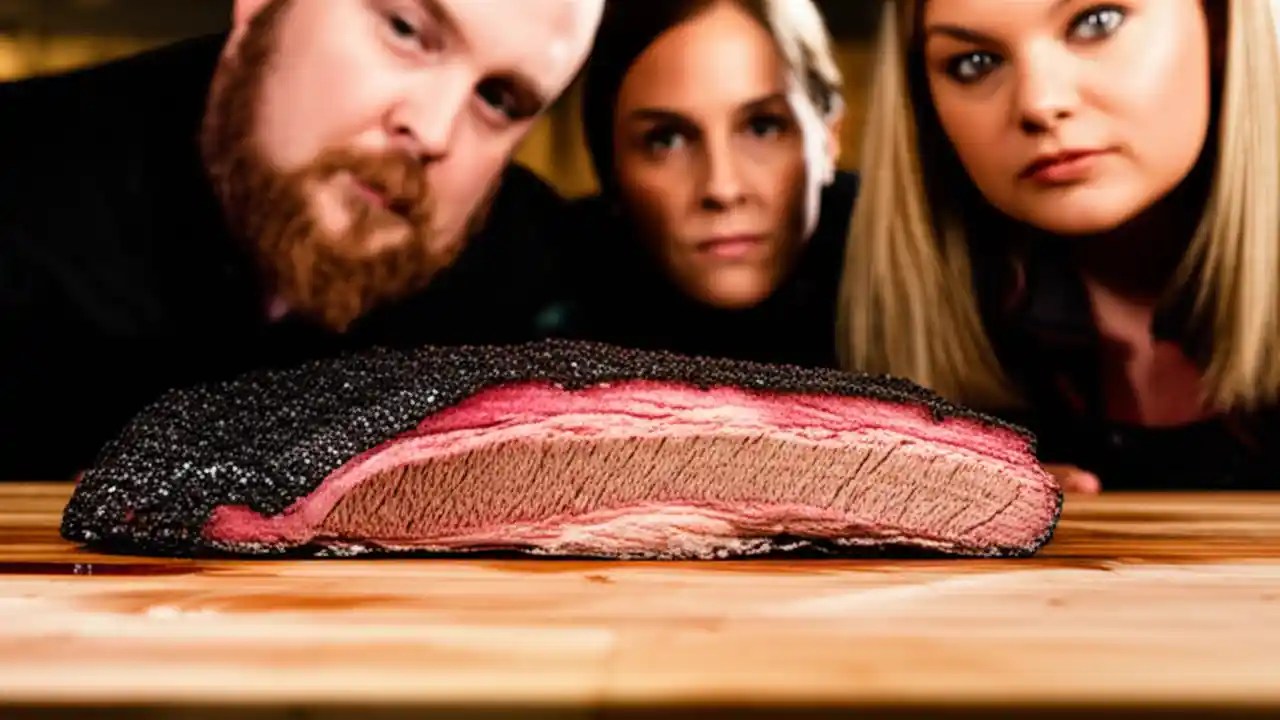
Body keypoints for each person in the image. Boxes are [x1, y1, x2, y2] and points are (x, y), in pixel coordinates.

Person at [0, 0, 605, 480]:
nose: (433, 129)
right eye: (405, 30)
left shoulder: (543, 291)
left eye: (498, 100)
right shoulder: (29, 181)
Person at [836, 0, 1280, 492]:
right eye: (974, 63)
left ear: (1217, 24)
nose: (1039, 102)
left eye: (1096, 23)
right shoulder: (843, 292)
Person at [556, 0, 857, 369]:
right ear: (609, 166)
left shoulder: (921, 271)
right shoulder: (533, 286)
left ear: (830, 137)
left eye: (763, 127)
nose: (722, 188)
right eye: (666, 140)